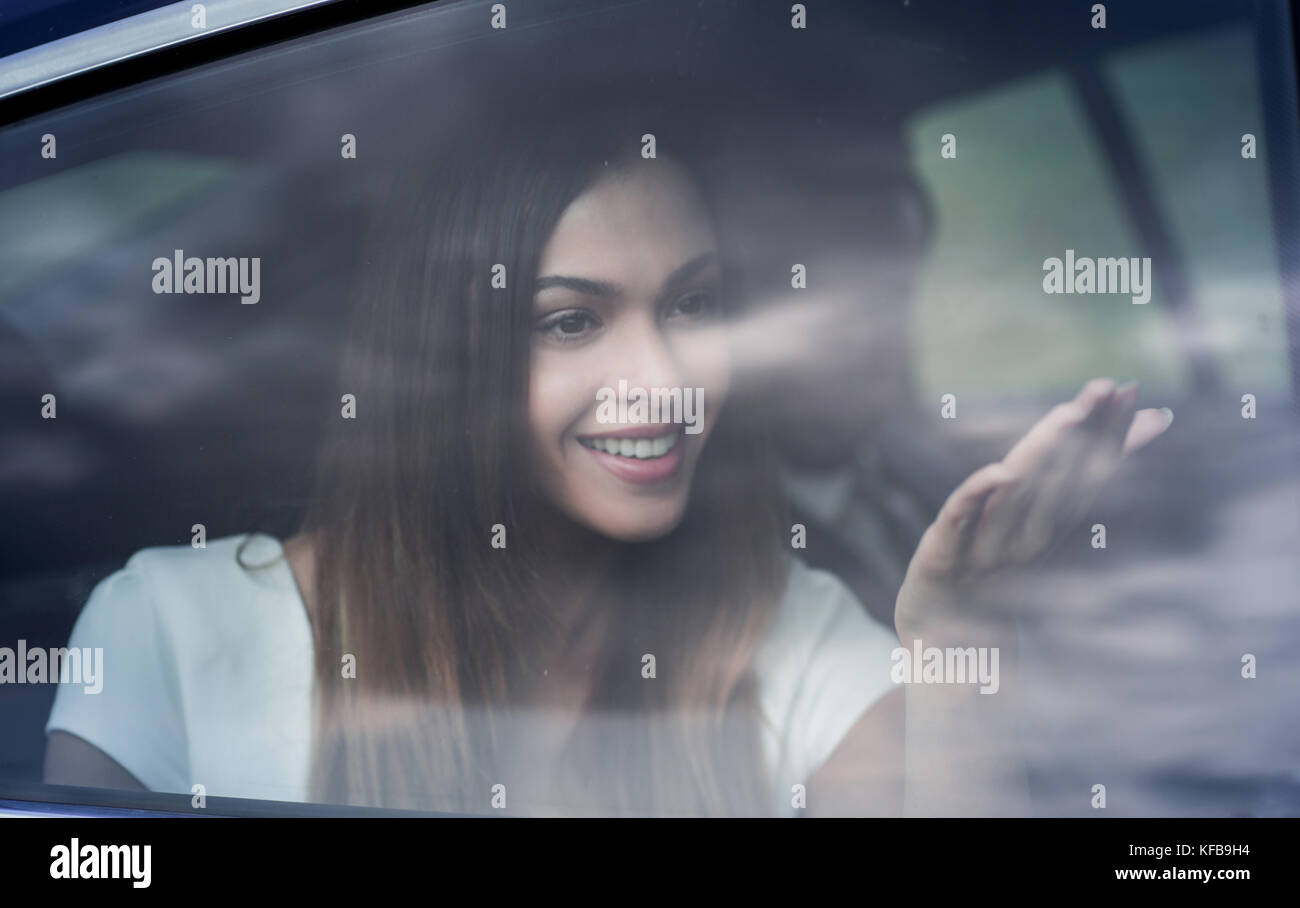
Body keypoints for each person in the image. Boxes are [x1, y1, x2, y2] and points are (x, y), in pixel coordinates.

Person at [43, 100, 1172, 817]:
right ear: (451, 358)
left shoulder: (796, 633)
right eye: (571, 322)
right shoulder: (167, 633)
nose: (666, 380)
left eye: (693, 305)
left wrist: (961, 635)